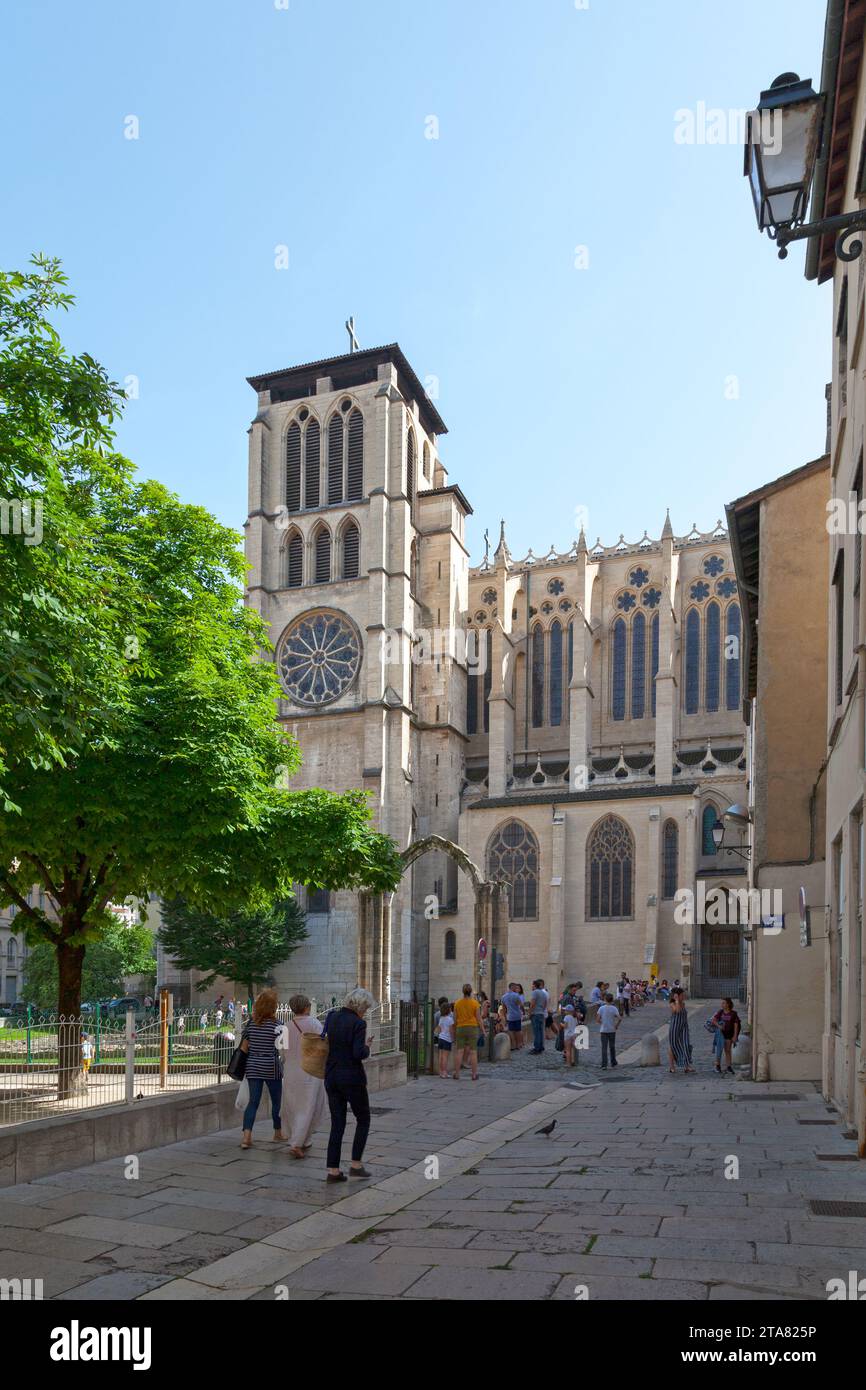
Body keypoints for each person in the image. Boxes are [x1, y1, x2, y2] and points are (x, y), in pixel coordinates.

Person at [324, 986, 376, 1182]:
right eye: (366, 1008)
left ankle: (333, 1170)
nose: (365, 1011)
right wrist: (367, 1047)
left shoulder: (332, 1017)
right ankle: (356, 1164)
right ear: (360, 1006)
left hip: (331, 1075)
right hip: (351, 1078)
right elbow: (357, 1053)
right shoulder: (358, 1023)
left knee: (337, 1123)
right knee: (363, 1118)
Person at [277, 993, 325, 1158]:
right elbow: (323, 1045)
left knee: (293, 1106)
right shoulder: (314, 1024)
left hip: (291, 1071)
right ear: (306, 1007)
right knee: (309, 1107)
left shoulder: (285, 1027)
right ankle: (297, 1143)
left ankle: (304, 1139)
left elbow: (281, 1053)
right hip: (310, 1072)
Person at [239, 987, 286, 1150]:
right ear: (273, 1007)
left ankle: (246, 1137)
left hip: (253, 1065)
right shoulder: (279, 1025)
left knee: (253, 1102)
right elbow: (284, 1050)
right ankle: (277, 1132)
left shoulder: (251, 1025)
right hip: (271, 1066)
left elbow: (244, 1048)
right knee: (276, 1102)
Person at [452, 984, 483, 1080]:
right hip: (472, 1028)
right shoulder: (475, 1003)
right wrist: (482, 1029)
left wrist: (454, 1030)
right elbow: (479, 1018)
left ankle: (457, 1073)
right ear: (470, 991)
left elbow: (455, 1019)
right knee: (473, 1052)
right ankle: (474, 1074)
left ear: (463, 991)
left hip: (460, 1028)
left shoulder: (457, 1003)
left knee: (459, 1051)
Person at [711, 997, 741, 1075]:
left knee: (728, 1050)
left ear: (728, 1004)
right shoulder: (720, 1012)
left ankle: (728, 1067)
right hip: (720, 1035)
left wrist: (735, 1036)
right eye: (722, 1003)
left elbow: (736, 1025)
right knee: (719, 1050)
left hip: (729, 1034)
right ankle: (717, 1066)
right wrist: (719, 1026)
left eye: (724, 1003)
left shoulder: (733, 1013)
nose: (722, 1004)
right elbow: (713, 1020)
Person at [668, 987, 694, 1074]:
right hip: (675, 1027)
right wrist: (676, 1000)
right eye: (682, 995)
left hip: (683, 1026)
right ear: (677, 996)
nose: (683, 996)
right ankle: (672, 1067)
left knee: (686, 1044)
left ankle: (687, 1066)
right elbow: (677, 1011)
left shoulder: (683, 1003)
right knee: (673, 1046)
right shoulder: (672, 1003)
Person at [597, 992, 620, 1069]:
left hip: (603, 1030)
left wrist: (602, 1023)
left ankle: (604, 1064)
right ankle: (613, 1062)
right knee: (612, 1047)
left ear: (605, 999)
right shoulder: (614, 1008)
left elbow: (597, 1019)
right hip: (612, 1030)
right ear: (612, 1000)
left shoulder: (601, 1008)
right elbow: (620, 1018)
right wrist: (616, 1025)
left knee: (604, 1047)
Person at [500, 982, 525, 1050]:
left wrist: (505, 1017)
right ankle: (518, 1044)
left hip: (509, 1016)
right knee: (518, 1030)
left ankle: (513, 1045)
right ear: (512, 987)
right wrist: (523, 1011)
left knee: (511, 1030)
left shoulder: (503, 997)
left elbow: (504, 1008)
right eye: (515, 987)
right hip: (517, 1015)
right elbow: (521, 1005)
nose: (516, 988)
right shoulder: (516, 995)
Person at [528, 979, 549, 1054]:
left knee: (536, 1032)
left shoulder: (535, 992)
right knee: (540, 1031)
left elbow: (532, 1003)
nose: (531, 986)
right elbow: (545, 1003)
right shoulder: (543, 993)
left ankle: (536, 1048)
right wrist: (542, 1010)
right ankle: (540, 1047)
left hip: (535, 1014)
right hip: (541, 1013)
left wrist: (529, 1013)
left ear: (534, 985)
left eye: (532, 985)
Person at [435, 999, 455, 1077]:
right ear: (449, 1010)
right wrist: (453, 1039)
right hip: (447, 1039)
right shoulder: (450, 1020)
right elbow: (451, 1031)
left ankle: (440, 1072)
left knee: (441, 1056)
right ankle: (444, 1072)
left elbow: (439, 1029)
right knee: (445, 1057)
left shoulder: (441, 1019)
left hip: (441, 1038)